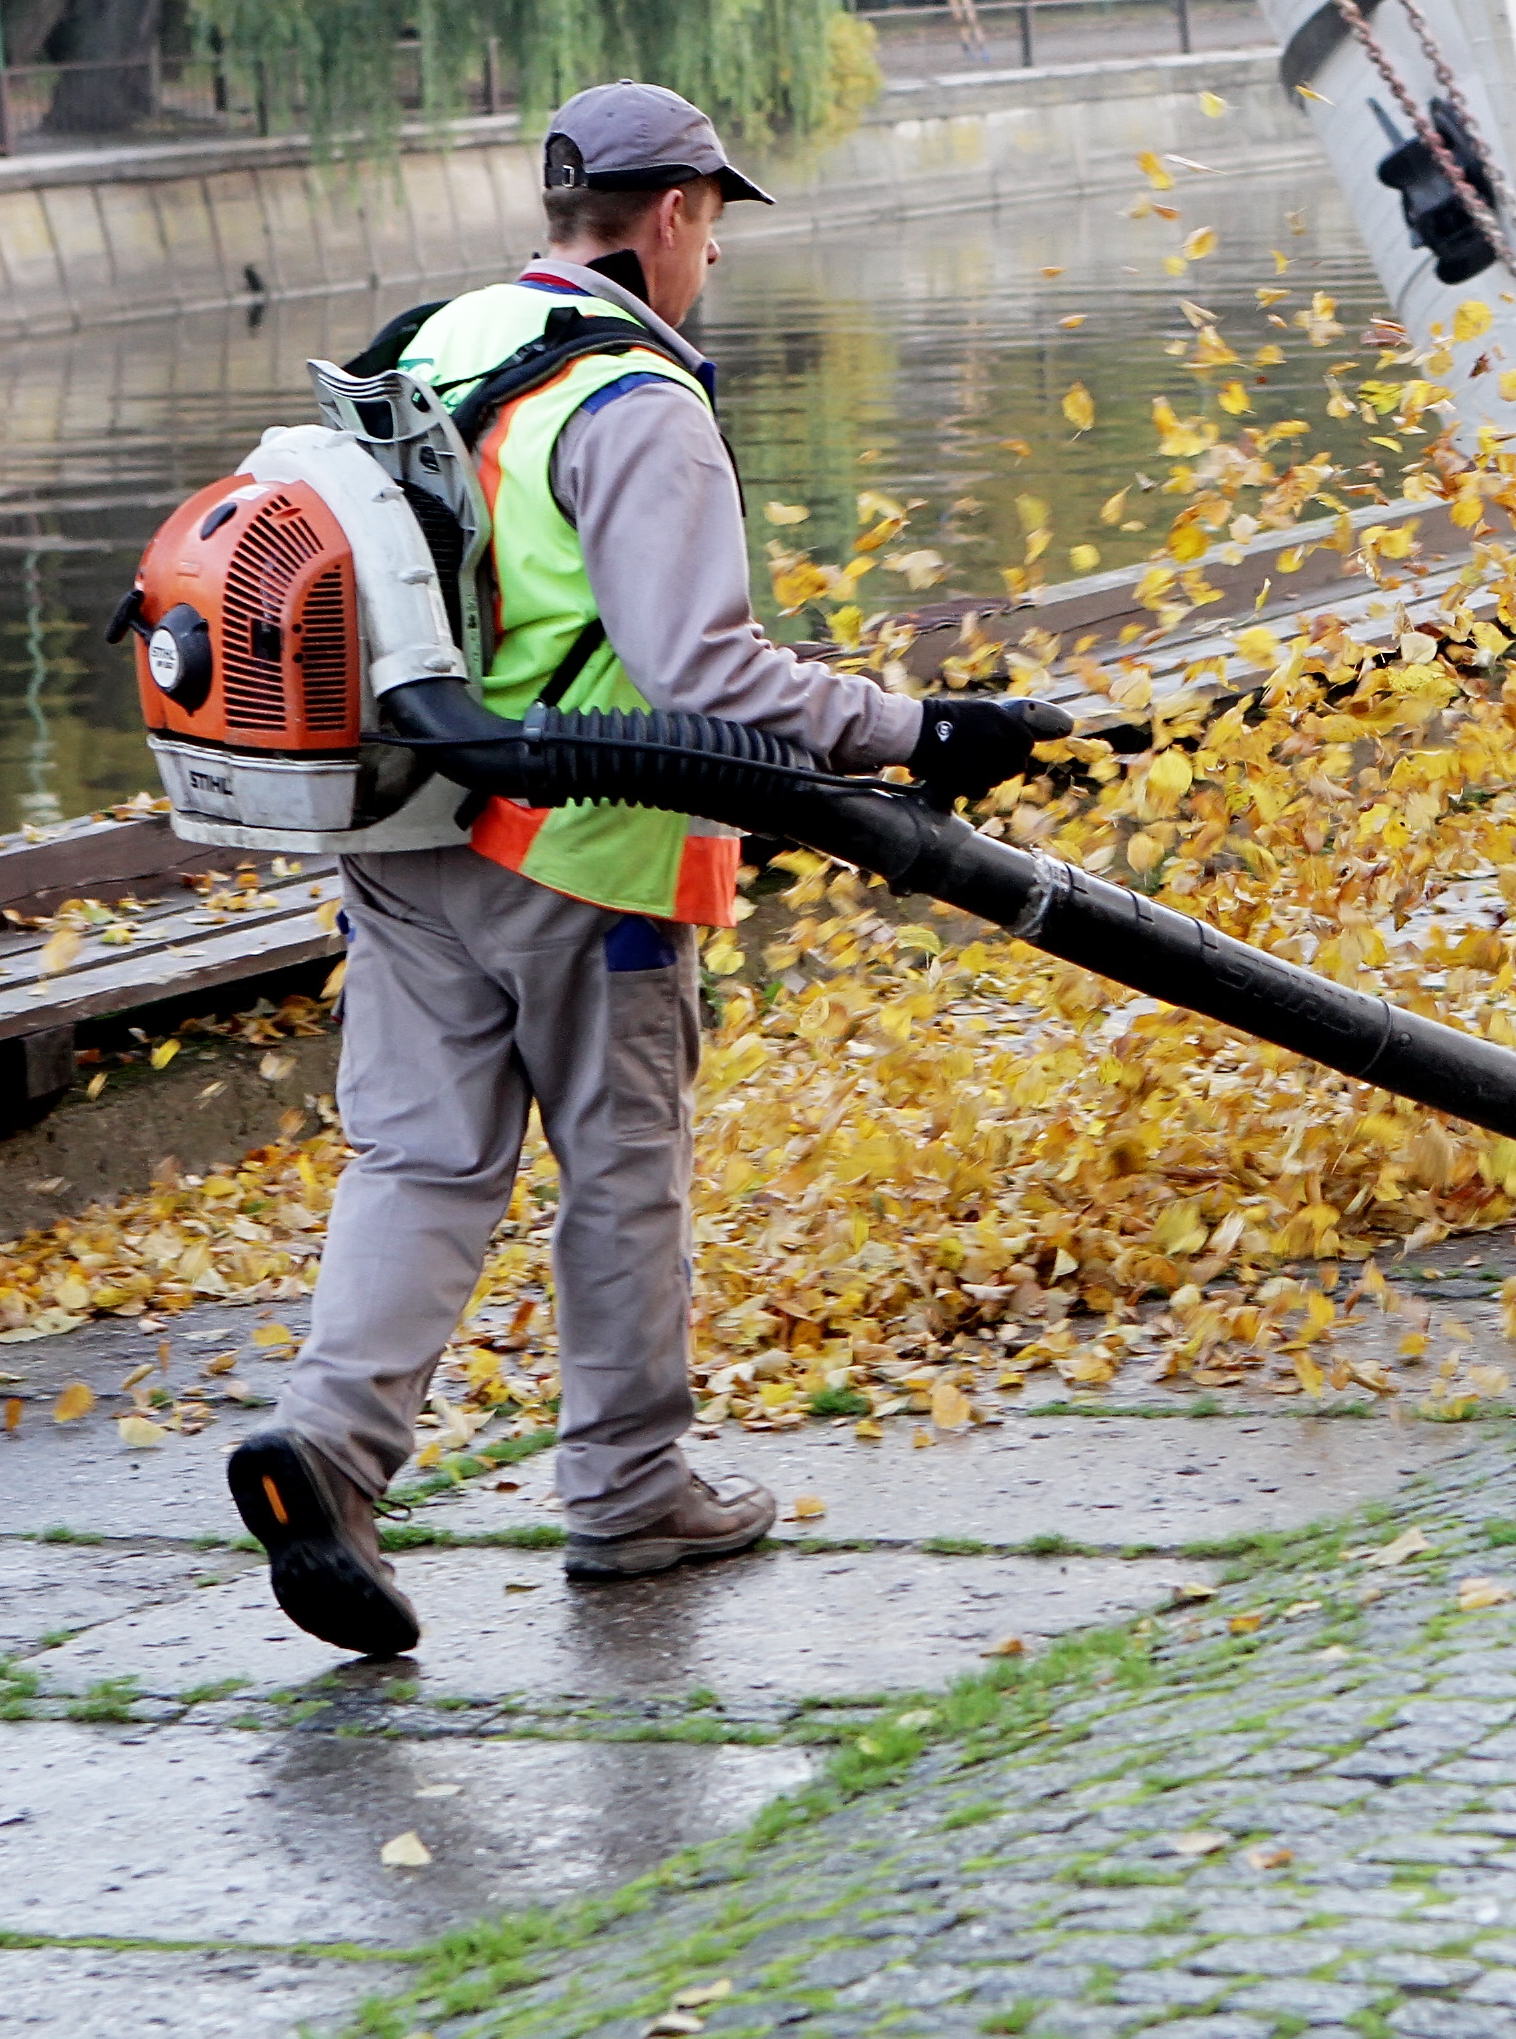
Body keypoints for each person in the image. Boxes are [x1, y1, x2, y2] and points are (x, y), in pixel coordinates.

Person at [228, 82, 1055, 1657]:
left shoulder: (436, 340)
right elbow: (710, 677)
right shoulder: (635, 402)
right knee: (619, 1171)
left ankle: (329, 1448)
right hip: (584, 848)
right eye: (716, 223)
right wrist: (915, 724)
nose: (717, 257)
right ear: (673, 214)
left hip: (401, 827)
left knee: (418, 1161)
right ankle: (627, 1492)